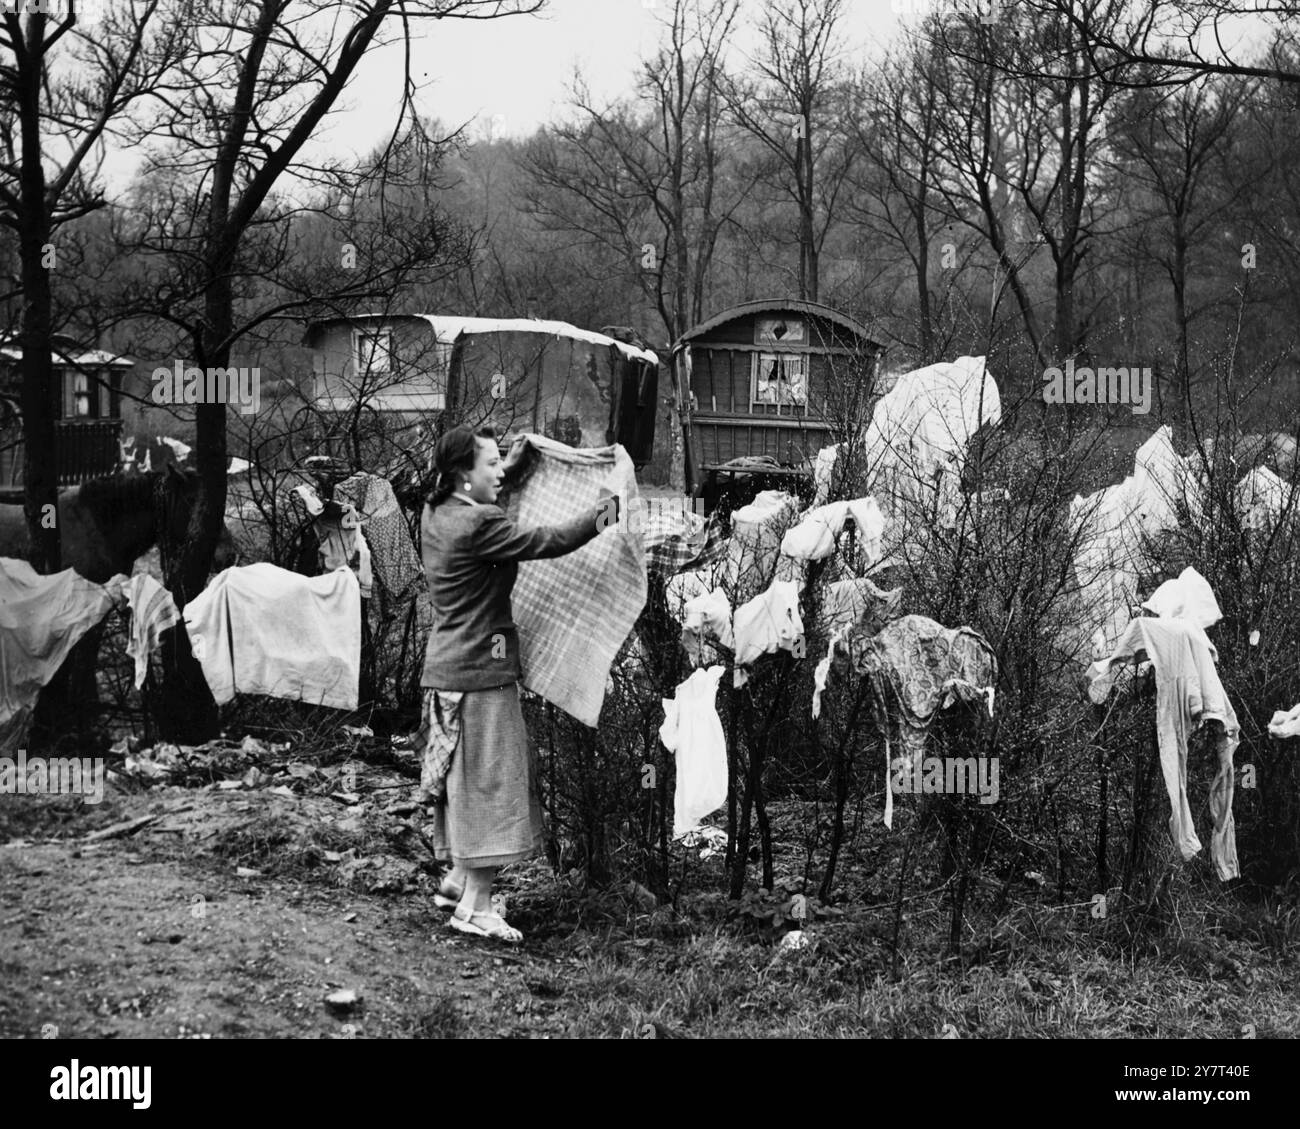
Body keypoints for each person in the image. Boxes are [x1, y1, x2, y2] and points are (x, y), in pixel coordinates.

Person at [419, 424, 618, 943]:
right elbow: (547, 540)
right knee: (494, 783)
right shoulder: (480, 523)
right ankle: (478, 907)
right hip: (483, 675)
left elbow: (495, 503)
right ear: (464, 473)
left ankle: (459, 880)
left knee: (462, 781)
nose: (501, 472)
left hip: (446, 670)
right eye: (490, 465)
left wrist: (514, 461)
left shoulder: (436, 512)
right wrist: (607, 513)